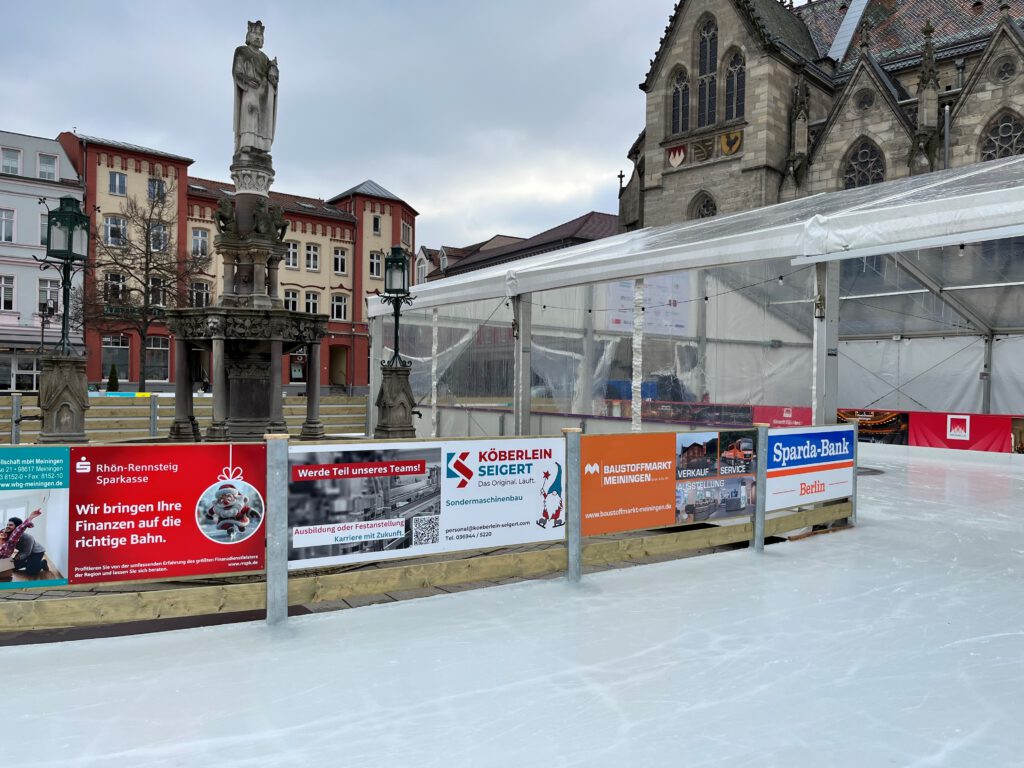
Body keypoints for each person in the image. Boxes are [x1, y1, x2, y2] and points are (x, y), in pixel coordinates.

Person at [232, 20, 278, 153]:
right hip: (250, 89)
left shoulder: (264, 58)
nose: (258, 37)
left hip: (265, 92)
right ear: (248, 36)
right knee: (250, 112)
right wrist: (246, 80)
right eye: (255, 34)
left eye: (261, 35)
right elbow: (237, 71)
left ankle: (262, 146)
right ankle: (246, 143)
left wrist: (273, 71)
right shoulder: (241, 51)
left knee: (264, 119)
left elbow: (272, 77)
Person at [4, 511, 47, 576]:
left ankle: (43, 563)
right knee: (13, 568)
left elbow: (27, 553)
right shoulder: (8, 536)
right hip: (23, 551)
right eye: (7, 525)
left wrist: (16, 558)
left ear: (18, 527)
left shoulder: (27, 538)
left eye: (10, 525)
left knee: (31, 572)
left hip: (36, 552)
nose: (7, 526)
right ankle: (30, 563)